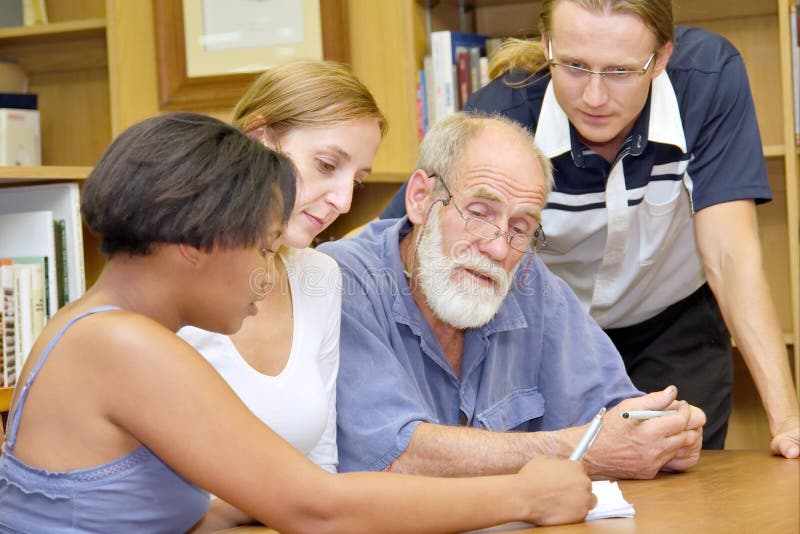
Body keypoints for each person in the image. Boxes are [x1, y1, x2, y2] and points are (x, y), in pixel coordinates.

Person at [0, 112, 598, 532]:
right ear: (195, 242)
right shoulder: (124, 346)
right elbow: (319, 510)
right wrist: (525, 494)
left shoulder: (95, 326)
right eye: (262, 249)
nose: (267, 277)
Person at [379, 0, 799, 456]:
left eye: (620, 71)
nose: (594, 98)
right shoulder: (500, 115)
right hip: (551, 333)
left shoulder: (708, 81)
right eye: (575, 66)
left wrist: (788, 423)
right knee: (570, 484)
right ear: (547, 45)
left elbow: (730, 254)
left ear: (660, 58)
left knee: (680, 480)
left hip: (675, 324)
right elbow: (396, 240)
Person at [318, 112, 706, 479]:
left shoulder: (527, 281)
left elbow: (615, 414)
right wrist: (582, 452)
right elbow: (393, 456)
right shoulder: (341, 280)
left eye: (520, 227)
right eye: (480, 212)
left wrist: (663, 433)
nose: (499, 249)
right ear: (421, 197)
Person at [179, 60, 385, 528]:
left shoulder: (321, 277)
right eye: (327, 165)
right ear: (259, 141)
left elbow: (323, 464)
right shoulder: (172, 270)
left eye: (356, 181)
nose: (344, 201)